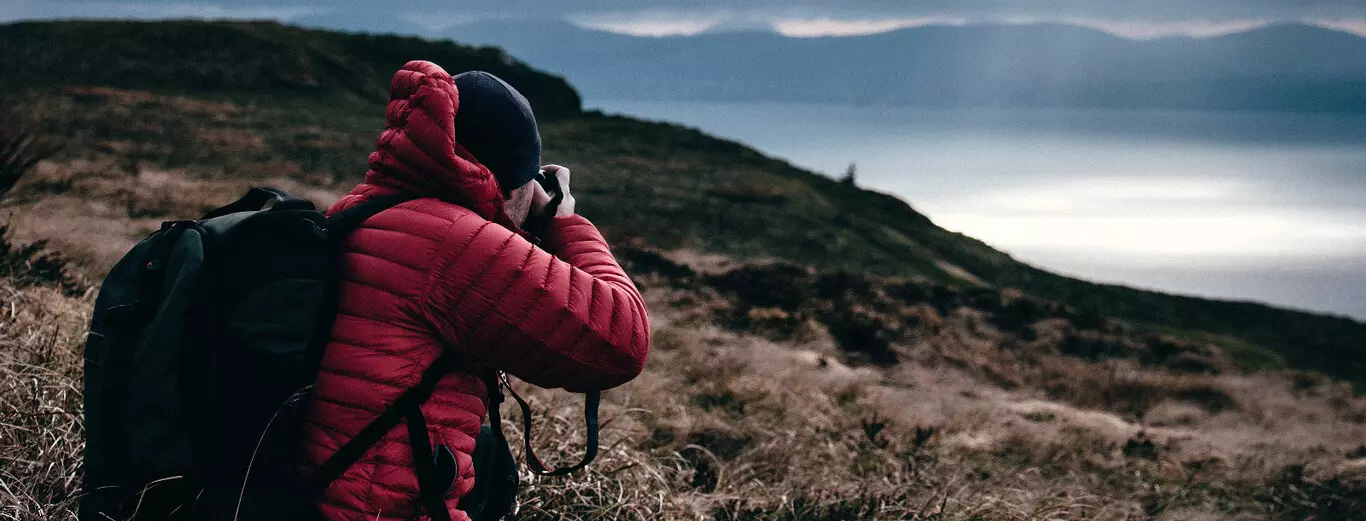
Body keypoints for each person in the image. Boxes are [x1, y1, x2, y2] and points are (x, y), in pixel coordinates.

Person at [300, 60, 650, 521]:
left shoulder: (364, 207)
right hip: (371, 510)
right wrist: (565, 223)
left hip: (308, 486)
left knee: (486, 460)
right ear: (509, 181)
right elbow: (621, 341)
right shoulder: (456, 243)